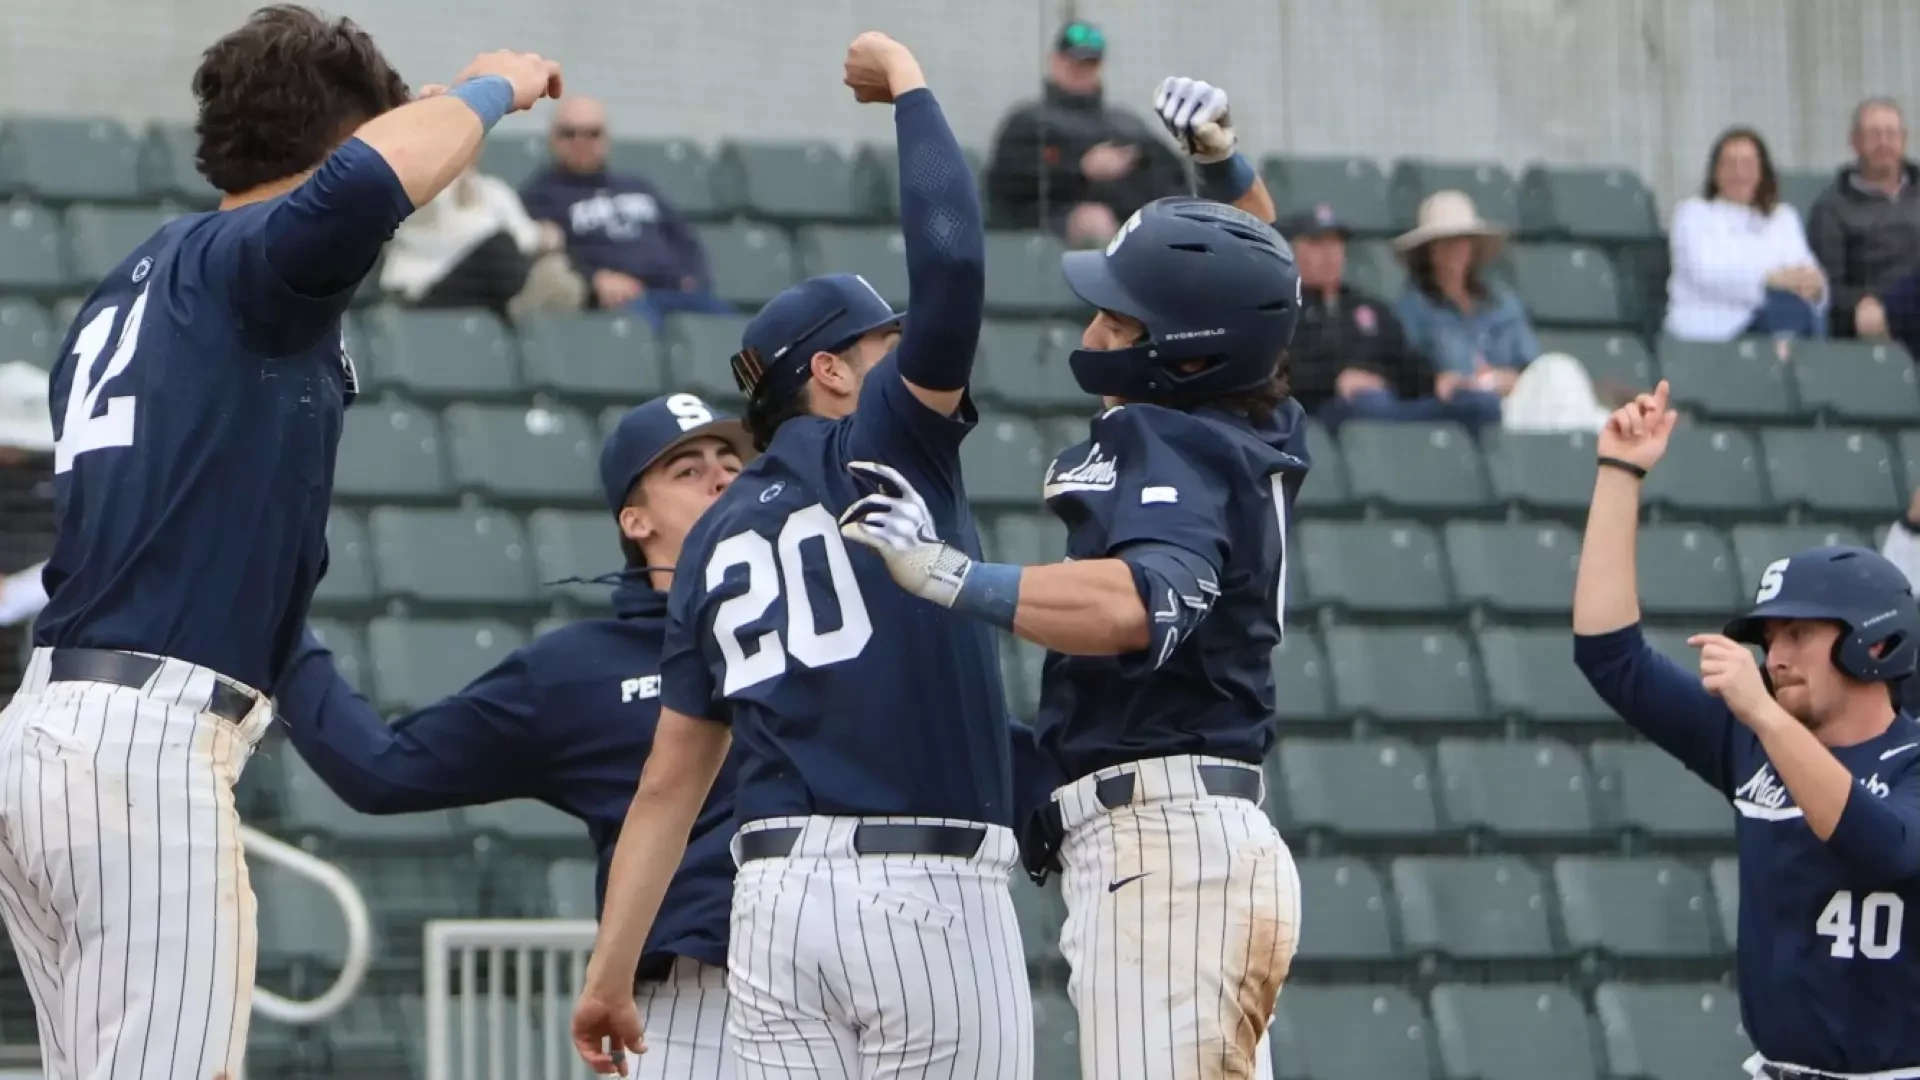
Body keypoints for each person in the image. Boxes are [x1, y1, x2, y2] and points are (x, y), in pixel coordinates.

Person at [0, 6, 563, 1075]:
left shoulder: (146, 274)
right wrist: (484, 90)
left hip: (56, 725)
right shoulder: (253, 263)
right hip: (140, 744)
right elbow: (360, 188)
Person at [571, 32, 1032, 1079]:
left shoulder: (710, 536)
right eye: (881, 346)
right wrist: (912, 89)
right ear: (831, 371)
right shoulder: (888, 440)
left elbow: (667, 786)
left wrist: (608, 973)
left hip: (775, 905)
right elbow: (955, 260)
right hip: (923, 889)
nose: (903, 358)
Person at [840, 76, 1303, 1080]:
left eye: (1122, 320)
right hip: (1193, 845)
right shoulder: (1247, 415)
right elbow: (1267, 288)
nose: (1095, 331)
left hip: (1167, 851)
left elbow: (1140, 602)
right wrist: (1224, 167)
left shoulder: (1172, 436)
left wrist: (955, 575)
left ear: (1185, 354)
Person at [273, 392, 749, 1078]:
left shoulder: (822, 616)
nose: (722, 478)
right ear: (635, 519)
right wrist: (279, 625)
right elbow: (384, 769)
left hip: (848, 962)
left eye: (732, 461)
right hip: (699, 997)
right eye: (688, 470)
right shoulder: (576, 670)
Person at [1574, 380, 1920, 1078]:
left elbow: (1887, 848)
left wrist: (1761, 713)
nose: (1776, 656)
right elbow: (1611, 658)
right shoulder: (1751, 740)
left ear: (1876, 642)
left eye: (1798, 633)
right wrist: (1619, 473)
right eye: (1769, 638)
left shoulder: (1904, 753)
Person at [520, 96, 732, 333]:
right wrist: (594, 279)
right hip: (619, 302)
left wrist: (692, 278)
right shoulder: (540, 195)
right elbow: (550, 257)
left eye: (593, 133)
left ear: (606, 139)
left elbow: (684, 239)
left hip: (675, 291)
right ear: (552, 139)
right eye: (569, 133)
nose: (581, 141)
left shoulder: (639, 186)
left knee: (740, 335)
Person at [1282, 204, 1501, 431]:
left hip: (1390, 403)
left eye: (1336, 243)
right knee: (1369, 402)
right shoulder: (1283, 309)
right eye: (1317, 243)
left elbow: (1402, 360)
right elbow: (1275, 375)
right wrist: (1334, 380)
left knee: (1479, 404)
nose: (1330, 254)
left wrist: (1436, 380)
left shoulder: (1369, 307)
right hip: (1325, 411)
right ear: (1292, 251)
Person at [983, 19, 1187, 247]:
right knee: (1094, 222)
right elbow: (1007, 179)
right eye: (1074, 63)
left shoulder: (1126, 124)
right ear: (1054, 61)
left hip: (1128, 221)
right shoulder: (1028, 122)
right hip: (1042, 228)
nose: (1082, 70)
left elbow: (1173, 179)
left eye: (1090, 63)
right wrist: (1081, 168)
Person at [1665, 127, 1827, 341]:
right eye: (1730, 164)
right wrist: (1771, 280)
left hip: (1775, 318)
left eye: (1747, 165)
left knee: (1802, 313)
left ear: (1762, 172)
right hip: (1711, 328)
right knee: (1791, 313)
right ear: (1715, 172)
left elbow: (1806, 269)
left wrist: (1814, 285)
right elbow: (1706, 272)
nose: (1739, 173)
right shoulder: (1692, 213)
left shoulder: (1783, 217)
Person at [379, 164, 586, 318]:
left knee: (558, 273)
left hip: (488, 289)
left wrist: (541, 236)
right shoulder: (412, 185)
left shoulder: (494, 190)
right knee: (499, 248)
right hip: (422, 292)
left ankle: (518, 318)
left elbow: (525, 236)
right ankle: (516, 314)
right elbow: (452, 237)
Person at [1393, 190, 1540, 397]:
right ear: (1429, 251)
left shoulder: (1503, 303)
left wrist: (1502, 380)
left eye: (1462, 240)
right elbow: (1412, 375)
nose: (1455, 249)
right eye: (1445, 242)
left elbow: (1532, 368)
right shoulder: (1413, 308)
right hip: (1460, 408)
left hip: (1518, 403)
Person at [1808, 97, 1920, 339]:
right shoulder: (1832, 207)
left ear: (1904, 139)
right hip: (1878, 313)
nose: (1884, 142)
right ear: (1855, 141)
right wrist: (1860, 304)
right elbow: (1828, 286)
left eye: (1891, 134)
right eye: (1874, 134)